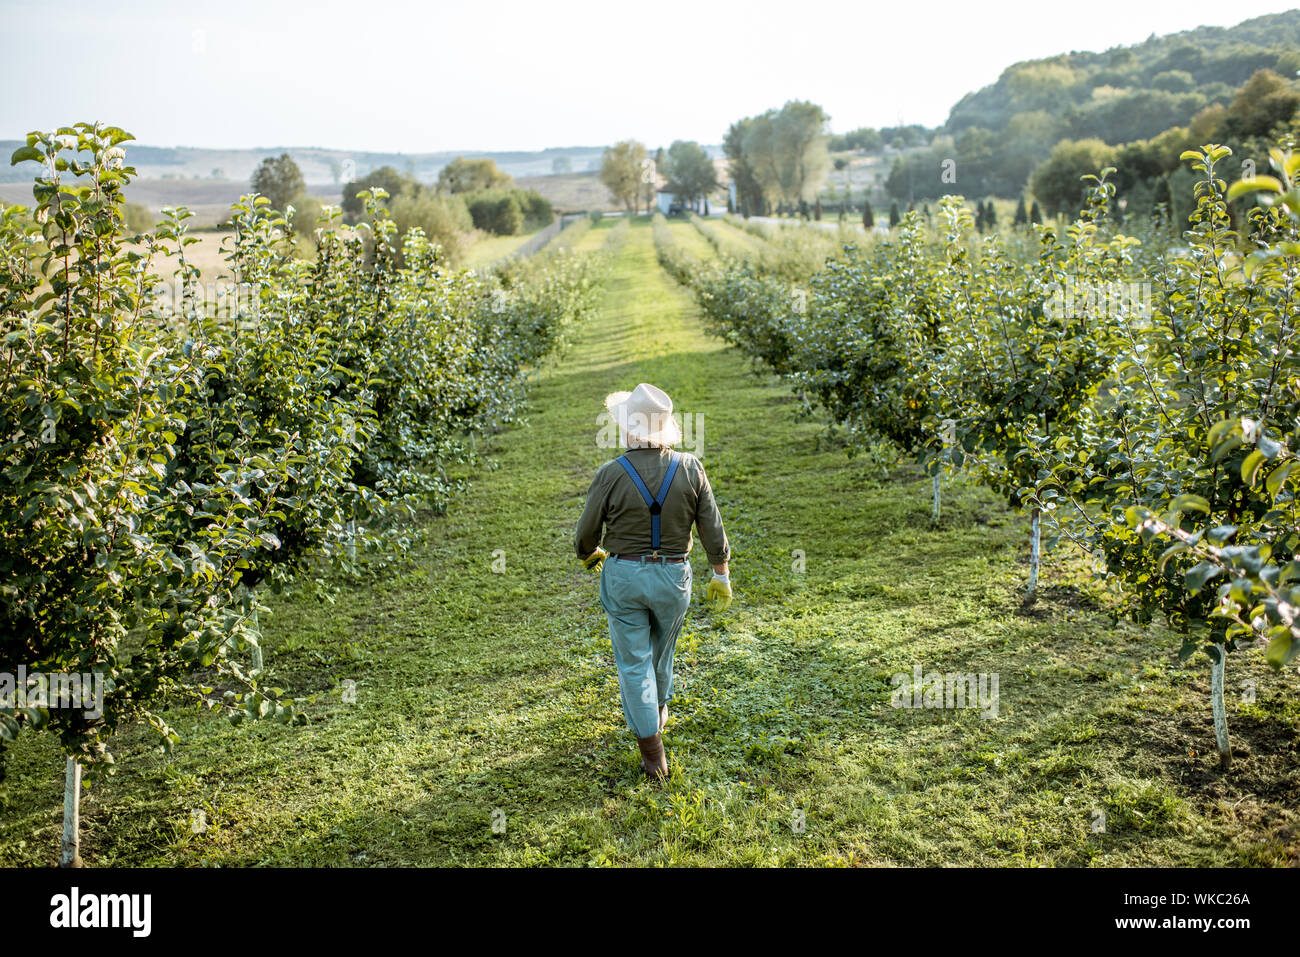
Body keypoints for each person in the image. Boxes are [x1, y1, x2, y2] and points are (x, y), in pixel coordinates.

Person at [575, 383, 732, 781]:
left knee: (633, 663)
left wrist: (590, 553)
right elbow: (712, 527)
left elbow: (585, 535)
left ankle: (652, 751)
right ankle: (658, 712)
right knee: (662, 653)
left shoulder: (611, 474)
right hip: (673, 578)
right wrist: (720, 573)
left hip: (625, 575)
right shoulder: (691, 467)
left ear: (629, 429)